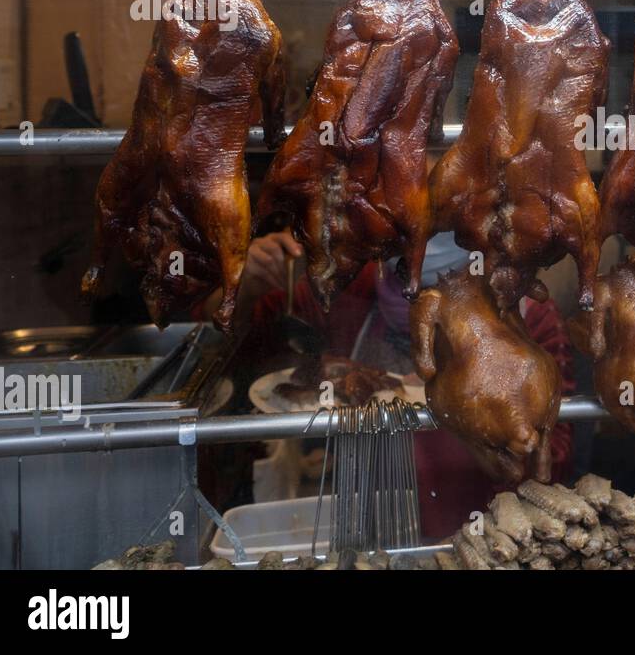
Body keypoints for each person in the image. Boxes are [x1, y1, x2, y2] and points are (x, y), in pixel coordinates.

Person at [213, 230, 576, 540]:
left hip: (482, 537)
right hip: (365, 530)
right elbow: (245, 337)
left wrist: (481, 427)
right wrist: (245, 285)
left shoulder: (524, 314)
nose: (429, 231)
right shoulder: (351, 288)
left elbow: (552, 458)